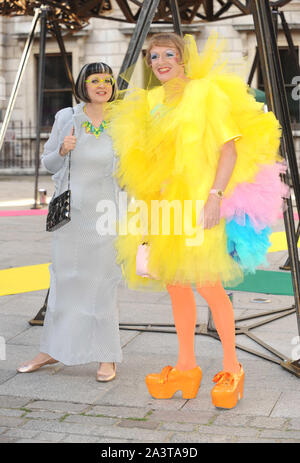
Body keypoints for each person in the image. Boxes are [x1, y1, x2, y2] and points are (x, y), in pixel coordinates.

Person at [108, 33, 289, 409]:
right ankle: (186, 366)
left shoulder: (205, 93)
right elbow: (144, 157)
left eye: (168, 54)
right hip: (160, 207)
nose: (160, 62)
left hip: (197, 202)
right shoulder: (152, 100)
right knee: (175, 284)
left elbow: (229, 150)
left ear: (183, 58)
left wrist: (214, 198)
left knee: (208, 285)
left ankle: (231, 366)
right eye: (154, 56)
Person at [17, 63, 122, 382]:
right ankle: (52, 349)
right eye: (95, 80)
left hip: (106, 215)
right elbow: (48, 163)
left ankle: (107, 357)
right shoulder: (67, 117)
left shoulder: (121, 122)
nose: (102, 85)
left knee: (103, 284)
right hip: (70, 215)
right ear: (83, 85)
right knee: (64, 282)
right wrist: (62, 149)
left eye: (108, 80)